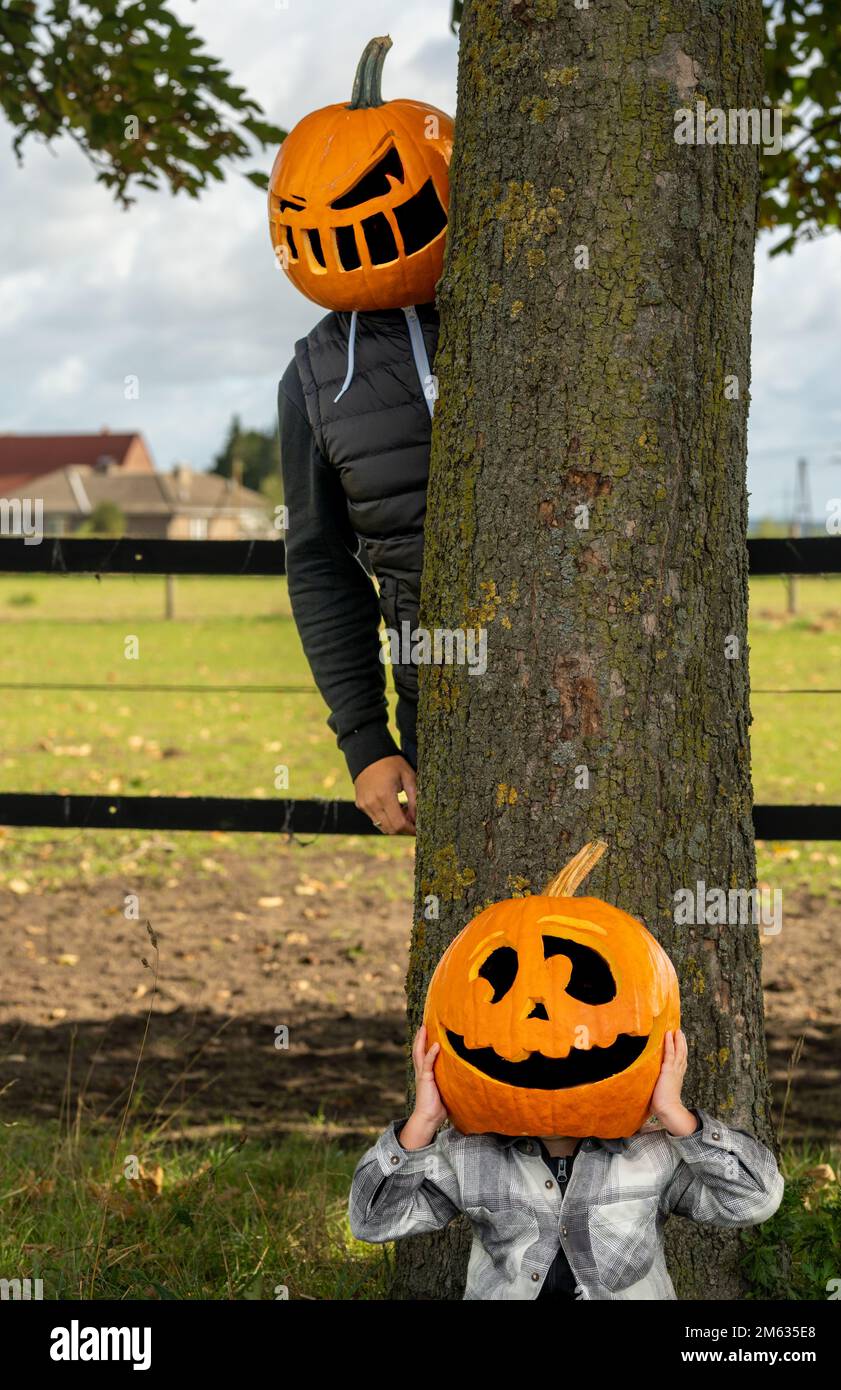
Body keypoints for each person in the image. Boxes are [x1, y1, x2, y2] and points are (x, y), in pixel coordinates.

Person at [272, 36, 453, 836]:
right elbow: (319, 563)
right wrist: (364, 738)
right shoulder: (312, 378)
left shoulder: (529, 313)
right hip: (438, 713)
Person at [349, 1026, 784, 1300]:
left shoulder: (653, 1154)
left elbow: (755, 1200)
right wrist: (422, 1124)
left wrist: (677, 1117)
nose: (551, 1047)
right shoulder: (470, 1152)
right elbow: (373, 1222)